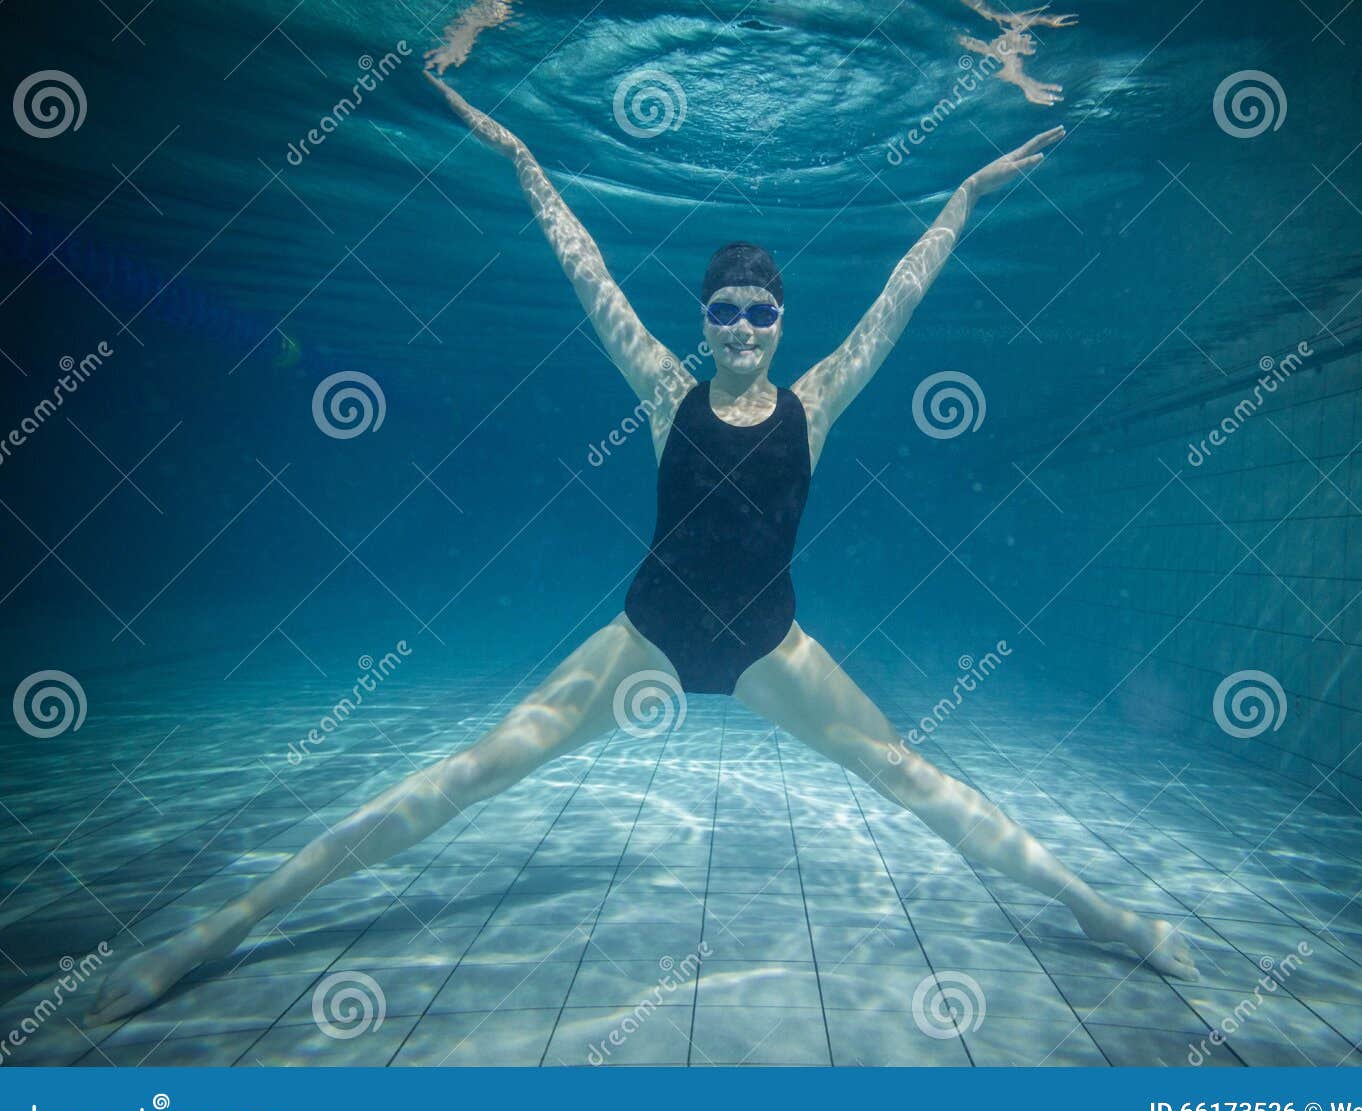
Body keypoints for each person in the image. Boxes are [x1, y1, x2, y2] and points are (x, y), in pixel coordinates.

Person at [88, 77, 1194, 1026]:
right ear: (703, 318)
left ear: (781, 318)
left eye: (761, 310)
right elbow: (584, 272)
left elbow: (901, 296)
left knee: (913, 778)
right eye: (726, 310)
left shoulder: (819, 398)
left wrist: (961, 195)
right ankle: (218, 928)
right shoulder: (665, 394)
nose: (745, 328)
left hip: (770, 645)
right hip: (646, 638)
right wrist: (520, 156)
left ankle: (1108, 916)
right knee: (469, 772)